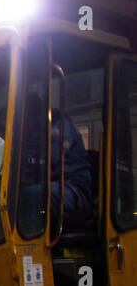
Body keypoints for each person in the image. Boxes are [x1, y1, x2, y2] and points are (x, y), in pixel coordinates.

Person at [16, 92, 94, 232]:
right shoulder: (30, 132)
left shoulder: (58, 124)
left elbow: (43, 158)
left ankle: (28, 247)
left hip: (73, 189)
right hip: (51, 185)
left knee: (33, 195)